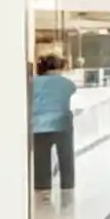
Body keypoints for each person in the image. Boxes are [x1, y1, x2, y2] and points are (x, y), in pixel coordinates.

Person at [31, 55, 78, 196]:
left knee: (41, 160)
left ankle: (42, 187)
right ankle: (67, 186)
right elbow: (72, 89)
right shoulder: (66, 83)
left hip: (38, 126)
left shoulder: (32, 82)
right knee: (66, 157)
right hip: (62, 125)